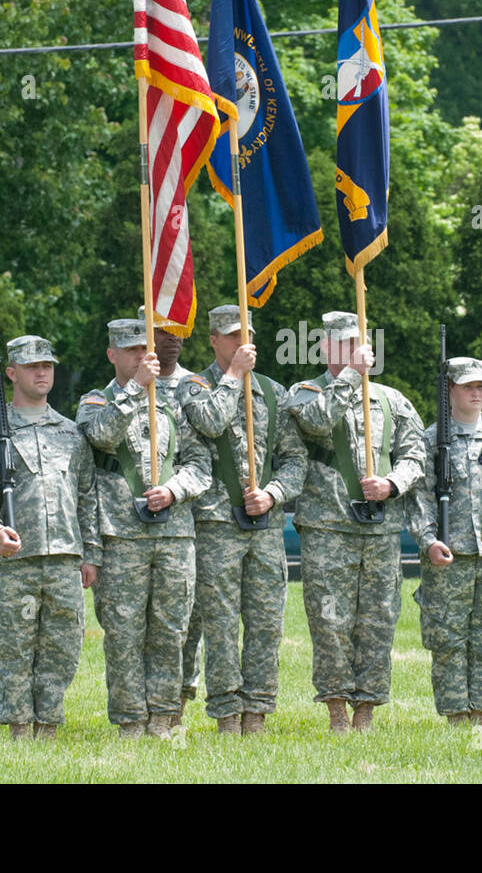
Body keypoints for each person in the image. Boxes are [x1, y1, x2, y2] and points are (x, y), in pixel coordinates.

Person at [286, 311, 426, 733]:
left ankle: (366, 708)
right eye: (342, 344)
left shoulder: (391, 399)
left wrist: (392, 483)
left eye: (357, 343)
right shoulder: (305, 392)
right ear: (325, 347)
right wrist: (350, 376)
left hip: (380, 529)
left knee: (378, 621)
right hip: (327, 527)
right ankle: (336, 709)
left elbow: (415, 455)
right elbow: (315, 422)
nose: (352, 350)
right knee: (329, 621)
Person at [76, 318, 211, 738]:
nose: (141, 356)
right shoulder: (95, 402)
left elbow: (200, 465)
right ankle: (130, 720)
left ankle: (163, 718)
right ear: (112, 354)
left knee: (171, 630)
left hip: (173, 536)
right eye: (132, 350)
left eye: (144, 348)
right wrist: (135, 389)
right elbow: (100, 437)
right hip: (120, 538)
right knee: (123, 633)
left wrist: (173, 490)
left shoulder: (173, 404)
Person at [0, 335, 99, 741]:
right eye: (32, 366)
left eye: (47, 365)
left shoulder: (71, 433)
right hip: (12, 562)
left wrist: (91, 553)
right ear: (11, 373)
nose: (42, 372)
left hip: (64, 559)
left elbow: (87, 496)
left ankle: (48, 726)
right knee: (14, 646)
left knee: (63, 646)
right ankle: (20, 729)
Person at [179, 305, 307, 735]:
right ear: (214, 340)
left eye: (247, 335)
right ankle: (226, 714)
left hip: (265, 527)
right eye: (233, 336)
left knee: (266, 623)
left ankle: (257, 711)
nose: (242, 342)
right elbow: (211, 423)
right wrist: (234, 375)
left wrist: (273, 494)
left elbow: (295, 460)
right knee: (219, 624)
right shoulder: (195, 387)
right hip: (215, 525)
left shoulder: (272, 392)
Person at [405, 357, 482, 728]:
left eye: (481, 386)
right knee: (447, 639)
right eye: (468, 386)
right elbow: (419, 498)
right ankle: (455, 718)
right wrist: (428, 540)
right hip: (447, 555)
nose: (476, 392)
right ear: (449, 391)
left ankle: (481, 717)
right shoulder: (431, 440)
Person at [138, 304, 205, 724]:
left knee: (185, 621)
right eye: (163, 330)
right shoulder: (120, 389)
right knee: (137, 622)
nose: (173, 338)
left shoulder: (195, 388)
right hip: (132, 528)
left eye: (179, 330)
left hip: (191, 521)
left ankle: (175, 706)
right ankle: (139, 707)